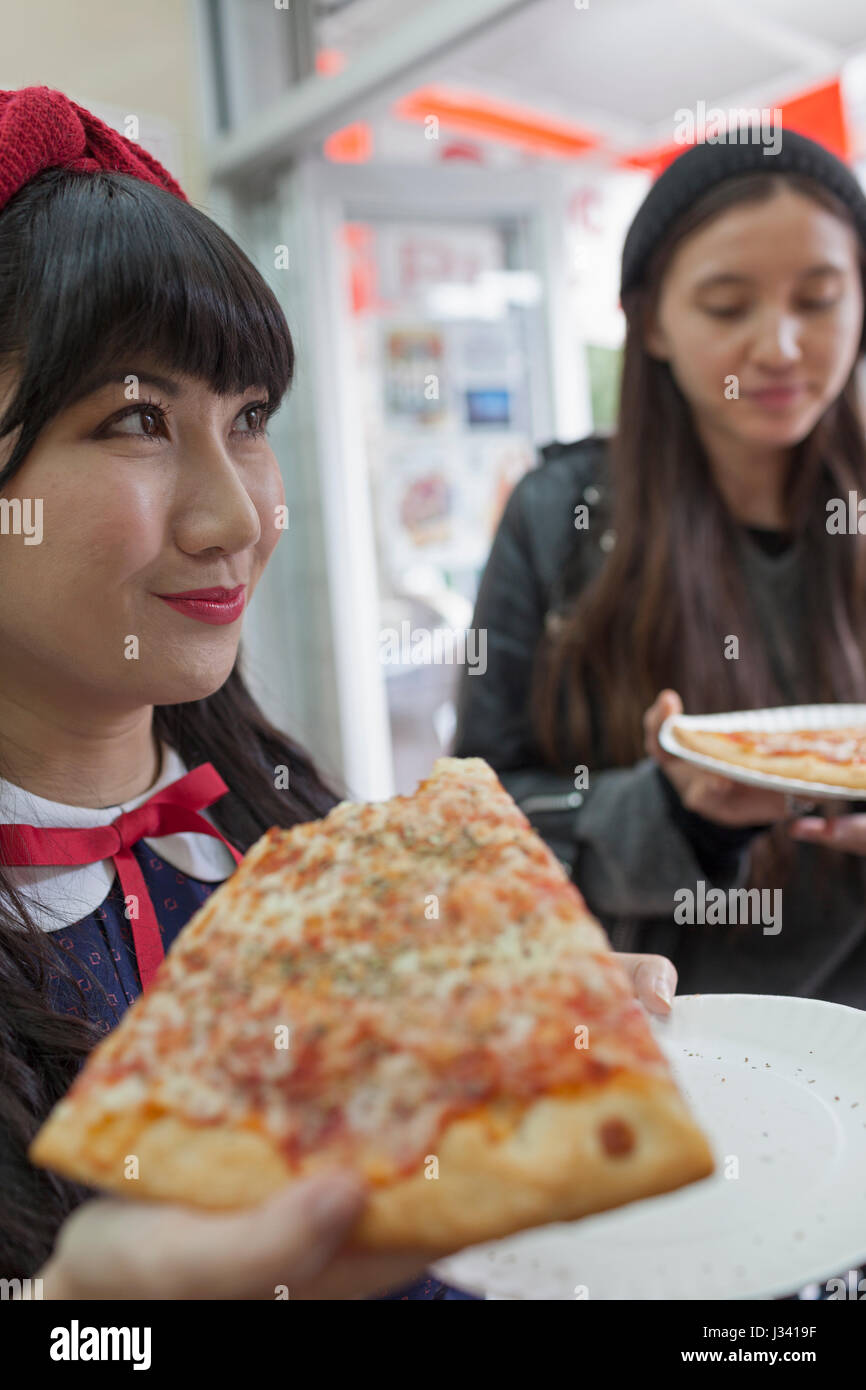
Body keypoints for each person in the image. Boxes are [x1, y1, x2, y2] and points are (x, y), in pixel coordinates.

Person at [0, 86, 676, 1301]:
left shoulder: (309, 856)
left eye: (248, 419)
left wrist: (533, 1069)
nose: (242, 516)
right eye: (136, 420)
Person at [454, 127, 866, 1008]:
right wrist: (674, 813)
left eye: (820, 298)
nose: (782, 347)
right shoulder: (558, 519)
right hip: (662, 1034)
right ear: (652, 324)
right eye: (727, 306)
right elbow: (474, 823)